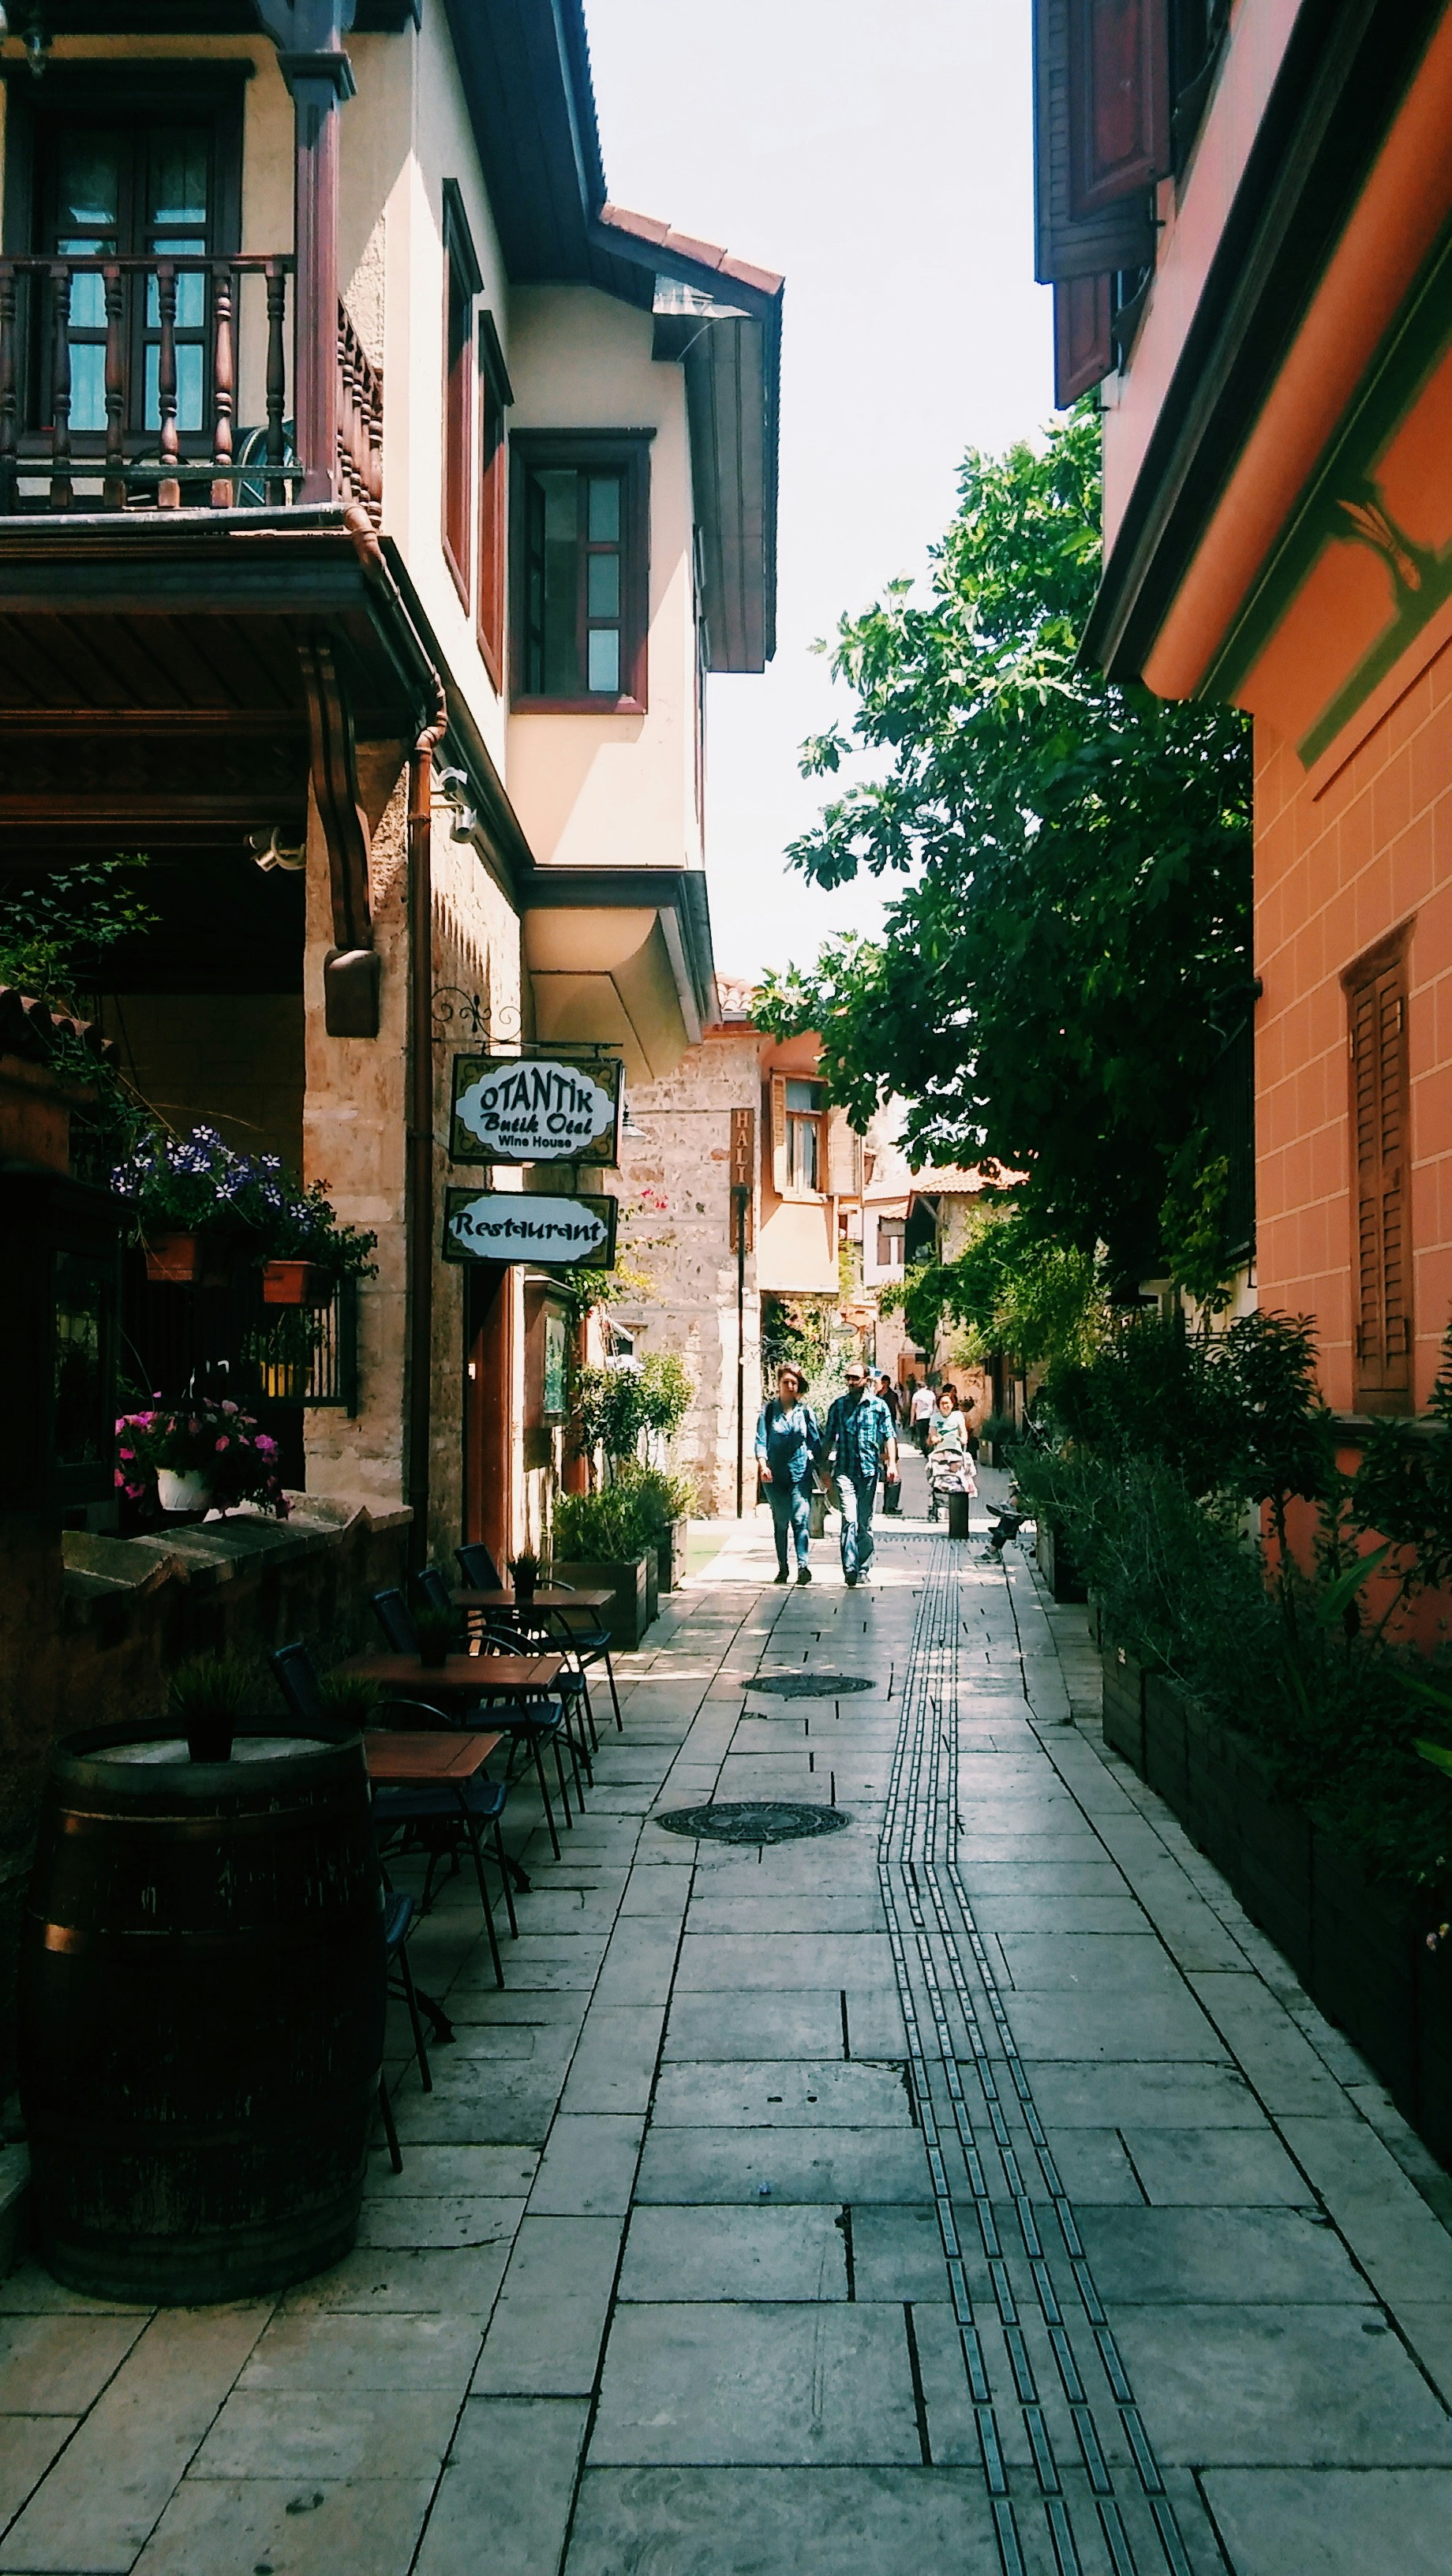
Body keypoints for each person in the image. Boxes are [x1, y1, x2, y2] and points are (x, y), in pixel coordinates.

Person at [821, 1361, 899, 1586]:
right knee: (850, 1519)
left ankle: (864, 1567)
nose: (850, 1382)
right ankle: (850, 1568)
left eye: (855, 1378)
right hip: (845, 1471)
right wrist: (824, 1468)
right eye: (848, 1378)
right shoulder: (838, 1407)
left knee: (865, 1522)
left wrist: (892, 1464)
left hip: (868, 1472)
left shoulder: (878, 1407)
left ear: (866, 1380)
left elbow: (889, 1435)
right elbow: (828, 1439)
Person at [754, 1364, 822, 1586]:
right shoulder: (768, 1412)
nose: (790, 1386)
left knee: (801, 1520)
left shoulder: (805, 1413)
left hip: (800, 1473)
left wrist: (823, 1468)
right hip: (774, 1476)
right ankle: (783, 1568)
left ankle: (803, 1566)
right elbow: (760, 1440)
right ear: (779, 1385)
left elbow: (816, 1442)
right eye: (786, 1382)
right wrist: (763, 1465)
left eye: (794, 1383)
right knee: (781, 1522)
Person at [926, 1384, 975, 1525]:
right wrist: (935, 1439)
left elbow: (963, 1431)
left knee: (956, 1473)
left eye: (947, 1403)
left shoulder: (958, 1416)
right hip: (940, 1452)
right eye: (942, 1404)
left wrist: (964, 1438)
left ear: (952, 1404)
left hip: (955, 1451)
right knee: (937, 1473)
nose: (945, 1406)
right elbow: (932, 1435)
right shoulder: (935, 1418)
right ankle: (939, 1500)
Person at [910, 1378, 935, 1455]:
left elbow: (913, 1408)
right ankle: (930, 1449)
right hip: (931, 1416)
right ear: (926, 1386)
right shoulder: (931, 1394)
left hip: (920, 1417)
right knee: (930, 1434)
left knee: (922, 1435)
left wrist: (912, 1421)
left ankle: (924, 1450)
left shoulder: (916, 1395)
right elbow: (934, 1405)